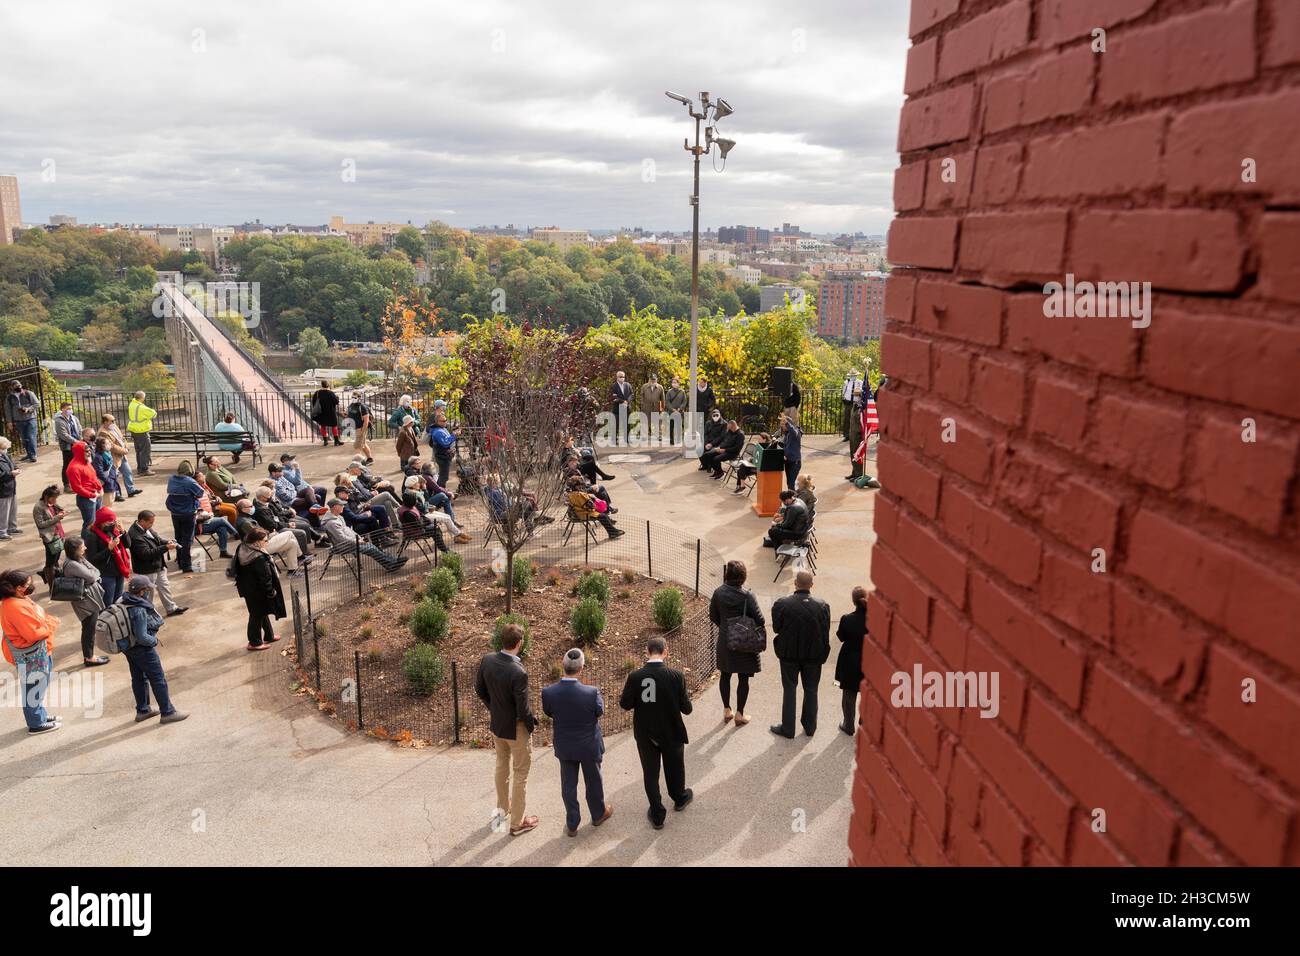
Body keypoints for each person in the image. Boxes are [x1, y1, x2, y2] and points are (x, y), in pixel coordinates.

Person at [619, 636, 693, 829]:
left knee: (650, 774)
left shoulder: (635, 677)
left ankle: (658, 813)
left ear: (646, 651)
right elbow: (687, 709)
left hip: (646, 734)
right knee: (675, 767)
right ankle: (679, 798)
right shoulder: (676, 676)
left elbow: (625, 704)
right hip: (671, 731)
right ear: (665, 651)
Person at [474, 623, 540, 836]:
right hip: (516, 730)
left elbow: (479, 689)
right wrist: (530, 725)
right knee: (521, 773)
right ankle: (517, 823)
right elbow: (523, 708)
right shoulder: (518, 672)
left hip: (497, 725)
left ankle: (502, 811)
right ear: (519, 643)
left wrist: (494, 707)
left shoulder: (487, 660)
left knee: (501, 766)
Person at [542, 648, 613, 836]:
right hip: (589, 745)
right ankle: (598, 814)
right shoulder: (591, 692)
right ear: (581, 668)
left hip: (565, 745)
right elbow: (599, 711)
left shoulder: (549, 693)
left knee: (568, 784)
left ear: (562, 665)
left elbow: (548, 712)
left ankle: (572, 823)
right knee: (594, 781)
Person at [116, 575, 188, 724]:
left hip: (128, 647)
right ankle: (168, 712)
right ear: (142, 592)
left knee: (138, 677)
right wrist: (154, 641)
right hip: (142, 648)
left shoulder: (122, 600)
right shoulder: (139, 609)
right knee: (158, 679)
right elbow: (142, 636)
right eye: (147, 589)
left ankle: (143, 710)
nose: (149, 592)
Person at [769, 570, 831, 739]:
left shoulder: (782, 604)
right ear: (811, 585)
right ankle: (810, 727)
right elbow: (825, 632)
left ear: (795, 583)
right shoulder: (822, 605)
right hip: (813, 655)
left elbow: (776, 628)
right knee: (811, 690)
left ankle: (788, 728)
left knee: (789, 689)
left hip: (789, 654)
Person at [0, 570, 61, 733]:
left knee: (39, 686)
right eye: (27, 584)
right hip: (31, 655)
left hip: (38, 652)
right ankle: (36, 723)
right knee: (33, 689)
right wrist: (52, 624)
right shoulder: (14, 606)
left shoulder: (19, 599)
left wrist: (46, 622)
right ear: (18, 588)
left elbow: (39, 616)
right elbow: (32, 633)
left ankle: (40, 715)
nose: (31, 587)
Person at [709, 560, 765, 726]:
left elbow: (713, 615)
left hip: (726, 640)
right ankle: (740, 714)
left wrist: (727, 627)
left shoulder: (718, 593)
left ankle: (727, 709)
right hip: (744, 643)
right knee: (743, 678)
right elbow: (760, 619)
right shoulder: (748, 595)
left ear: (727, 575)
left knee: (725, 675)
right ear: (743, 577)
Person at [233, 528, 286, 651]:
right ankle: (254, 642)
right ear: (257, 542)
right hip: (257, 591)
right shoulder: (259, 557)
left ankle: (269, 635)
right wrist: (271, 592)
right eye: (265, 540)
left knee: (262, 612)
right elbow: (265, 578)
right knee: (256, 616)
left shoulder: (243, 547)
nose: (267, 543)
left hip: (247, 588)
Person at [319, 499, 408, 572]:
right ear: (335, 507)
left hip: (351, 541)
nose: (343, 506)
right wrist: (357, 541)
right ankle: (391, 564)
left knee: (371, 547)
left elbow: (348, 530)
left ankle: (392, 563)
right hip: (343, 546)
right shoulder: (331, 523)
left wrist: (359, 537)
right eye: (341, 505)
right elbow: (341, 538)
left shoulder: (338, 516)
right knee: (371, 548)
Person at [127, 511, 187, 617]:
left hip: (158, 565)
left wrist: (167, 542)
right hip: (146, 570)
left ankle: (171, 609)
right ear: (142, 521)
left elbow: (157, 539)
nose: (152, 525)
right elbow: (145, 554)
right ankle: (147, 615)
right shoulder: (134, 535)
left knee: (165, 587)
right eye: (150, 523)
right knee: (148, 594)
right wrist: (166, 548)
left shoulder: (146, 528)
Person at [60, 538, 109, 667]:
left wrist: (92, 576)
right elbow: (93, 576)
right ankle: (89, 657)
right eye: (83, 547)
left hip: (90, 598)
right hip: (85, 602)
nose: (85, 548)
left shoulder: (79, 559)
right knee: (89, 629)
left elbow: (95, 571)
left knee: (90, 628)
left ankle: (89, 655)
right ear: (75, 550)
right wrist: (92, 577)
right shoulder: (72, 564)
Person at [835, 586, 868, 737]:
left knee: (849, 694)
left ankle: (848, 725)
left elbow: (841, 637)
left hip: (850, 659)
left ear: (853, 601)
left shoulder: (847, 619)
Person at [83, 506, 131, 606]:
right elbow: (92, 559)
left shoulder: (114, 530)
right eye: (109, 522)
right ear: (101, 522)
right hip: (106, 574)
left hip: (119, 570)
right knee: (108, 603)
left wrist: (123, 532)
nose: (112, 524)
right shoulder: (92, 536)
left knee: (118, 600)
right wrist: (109, 549)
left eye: (113, 521)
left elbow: (128, 545)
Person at [164, 460, 206, 574]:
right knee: (187, 539)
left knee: (178, 536)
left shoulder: (172, 479)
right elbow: (200, 493)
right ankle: (186, 565)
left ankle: (179, 558)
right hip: (188, 513)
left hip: (175, 513)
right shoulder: (190, 481)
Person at [235, 498, 303, 566]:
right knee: (289, 533)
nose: (253, 507)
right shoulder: (245, 522)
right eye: (251, 506)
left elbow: (259, 533)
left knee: (292, 543)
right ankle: (301, 557)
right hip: (259, 547)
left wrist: (269, 533)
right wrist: (268, 533)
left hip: (262, 541)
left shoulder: (246, 517)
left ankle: (292, 570)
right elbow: (259, 536)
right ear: (243, 509)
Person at [193, 475, 239, 557]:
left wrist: (216, 498)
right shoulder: (194, 495)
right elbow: (199, 512)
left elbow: (211, 496)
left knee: (222, 527)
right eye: (201, 476)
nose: (204, 476)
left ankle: (223, 551)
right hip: (200, 525)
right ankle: (236, 533)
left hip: (208, 518)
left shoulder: (204, 486)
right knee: (221, 520)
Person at [33, 485, 67, 591]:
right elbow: (41, 524)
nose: (55, 500)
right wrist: (57, 517)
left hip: (59, 534)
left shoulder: (53, 503)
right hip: (50, 538)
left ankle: (47, 574)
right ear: (46, 496)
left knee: (56, 558)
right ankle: (52, 587)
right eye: (54, 498)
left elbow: (58, 511)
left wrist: (62, 512)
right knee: (51, 562)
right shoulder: (38, 507)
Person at [99, 414, 141, 498]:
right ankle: (117, 494)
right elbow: (111, 446)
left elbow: (122, 438)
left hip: (122, 455)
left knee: (128, 471)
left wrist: (126, 446)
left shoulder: (114, 427)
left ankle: (131, 490)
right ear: (105, 422)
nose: (114, 422)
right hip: (113, 457)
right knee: (114, 476)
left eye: (114, 420)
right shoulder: (103, 432)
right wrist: (124, 451)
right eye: (112, 421)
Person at [65, 440, 102, 532]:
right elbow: (77, 488)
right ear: (79, 452)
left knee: (98, 521)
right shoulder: (73, 468)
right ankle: (86, 544)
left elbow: (94, 477)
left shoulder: (86, 462)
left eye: (89, 450)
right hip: (86, 499)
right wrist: (92, 495)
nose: (89, 452)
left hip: (95, 495)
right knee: (89, 524)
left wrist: (100, 488)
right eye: (86, 451)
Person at [5, 380, 40, 462]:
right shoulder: (9, 397)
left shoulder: (28, 393)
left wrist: (28, 409)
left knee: (31, 437)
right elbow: (8, 410)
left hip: (30, 419)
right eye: (16, 385)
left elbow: (37, 404)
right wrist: (9, 421)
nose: (18, 387)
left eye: (19, 385)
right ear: (12, 387)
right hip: (18, 421)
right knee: (24, 439)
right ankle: (29, 454)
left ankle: (33, 455)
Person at [53, 402, 83, 492]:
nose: (70, 410)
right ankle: (67, 485)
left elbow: (80, 429)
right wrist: (76, 442)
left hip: (77, 444)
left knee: (78, 464)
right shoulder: (59, 420)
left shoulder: (74, 418)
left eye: (71, 408)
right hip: (68, 446)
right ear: (62, 409)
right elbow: (63, 435)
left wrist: (80, 440)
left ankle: (77, 482)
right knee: (68, 465)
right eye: (68, 408)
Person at [126, 390, 156, 475]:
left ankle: (140, 468)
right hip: (142, 430)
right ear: (142, 398)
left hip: (134, 429)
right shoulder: (141, 407)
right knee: (145, 450)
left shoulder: (132, 404)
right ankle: (144, 469)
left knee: (138, 450)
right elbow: (153, 414)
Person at [425, 412, 458, 488]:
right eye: (442, 421)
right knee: (443, 477)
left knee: (443, 475)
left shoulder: (442, 428)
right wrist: (454, 435)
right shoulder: (438, 431)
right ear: (437, 422)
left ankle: (442, 491)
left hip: (444, 455)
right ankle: (441, 492)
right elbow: (445, 443)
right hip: (442, 456)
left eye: (445, 420)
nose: (445, 422)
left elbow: (447, 440)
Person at [0, 437, 19, 539]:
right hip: (2, 490)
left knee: (12, 508)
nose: (5, 450)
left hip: (11, 487)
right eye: (3, 448)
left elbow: (13, 465)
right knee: (4, 511)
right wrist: (11, 473)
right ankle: (2, 531)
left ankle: (12, 527)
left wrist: (16, 469)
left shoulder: (6, 455)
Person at [91, 437, 120, 503]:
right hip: (106, 482)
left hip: (112, 480)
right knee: (107, 503)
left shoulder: (108, 454)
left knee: (111, 501)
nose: (110, 444)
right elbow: (99, 471)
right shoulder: (98, 457)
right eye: (107, 443)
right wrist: (108, 481)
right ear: (102, 445)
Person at [346, 393, 373, 464]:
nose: (353, 398)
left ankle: (357, 464)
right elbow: (350, 415)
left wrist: (362, 431)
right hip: (355, 428)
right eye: (352, 397)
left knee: (357, 446)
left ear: (359, 398)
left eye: (355, 397)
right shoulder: (351, 405)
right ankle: (370, 459)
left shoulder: (363, 407)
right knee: (363, 444)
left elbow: (366, 420)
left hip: (360, 429)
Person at [780, 414, 803, 490]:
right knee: (789, 483)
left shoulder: (796, 432)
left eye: (783, 424)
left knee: (791, 483)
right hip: (788, 461)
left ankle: (793, 499)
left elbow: (793, 431)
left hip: (795, 463)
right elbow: (786, 447)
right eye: (782, 424)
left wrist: (786, 422)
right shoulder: (786, 434)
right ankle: (792, 497)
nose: (782, 426)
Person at [640, 373, 664, 443]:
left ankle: (659, 435)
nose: (653, 381)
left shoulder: (660, 387)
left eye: (654, 379)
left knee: (657, 422)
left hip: (656, 406)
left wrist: (662, 407)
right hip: (646, 406)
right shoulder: (644, 386)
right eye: (651, 379)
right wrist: (642, 405)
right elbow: (641, 396)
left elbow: (662, 398)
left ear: (656, 379)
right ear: (649, 379)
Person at [610, 371, 633, 445]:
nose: (622, 378)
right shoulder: (614, 386)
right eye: (620, 377)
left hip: (627, 408)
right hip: (617, 408)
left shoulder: (628, 385)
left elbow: (631, 394)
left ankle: (627, 439)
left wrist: (627, 401)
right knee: (616, 424)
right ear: (617, 377)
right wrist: (623, 401)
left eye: (623, 376)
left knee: (627, 424)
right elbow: (614, 397)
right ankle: (615, 440)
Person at [663, 377, 687, 445]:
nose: (674, 384)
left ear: (678, 383)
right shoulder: (669, 392)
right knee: (671, 426)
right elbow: (667, 402)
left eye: (675, 382)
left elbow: (684, 401)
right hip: (672, 412)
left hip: (680, 412)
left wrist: (680, 408)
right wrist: (672, 409)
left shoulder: (682, 392)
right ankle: (671, 440)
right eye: (673, 383)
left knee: (679, 426)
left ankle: (679, 439)